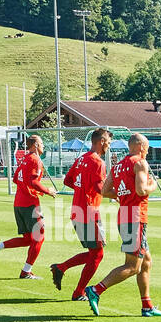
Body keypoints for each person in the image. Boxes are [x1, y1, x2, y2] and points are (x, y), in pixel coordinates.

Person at [83, 134, 161, 317]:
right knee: (133, 266)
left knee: (146, 262)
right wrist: (153, 185)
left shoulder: (118, 165)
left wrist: (122, 195)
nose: (147, 150)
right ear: (141, 146)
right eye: (146, 147)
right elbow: (142, 190)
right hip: (135, 217)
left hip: (124, 215)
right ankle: (96, 290)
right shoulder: (140, 163)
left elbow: (105, 191)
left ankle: (147, 307)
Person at [50, 128, 111, 300]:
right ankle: (78, 292)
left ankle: (61, 268)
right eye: (108, 142)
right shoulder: (98, 162)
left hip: (77, 211)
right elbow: (101, 189)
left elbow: (67, 180)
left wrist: (82, 190)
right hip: (90, 212)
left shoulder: (81, 158)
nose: (109, 145)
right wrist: (120, 195)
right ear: (101, 142)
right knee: (97, 254)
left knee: (93, 253)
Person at [0, 134, 56, 278]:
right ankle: (26, 271)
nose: (43, 146)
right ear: (35, 145)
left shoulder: (24, 158)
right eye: (41, 143)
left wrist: (29, 190)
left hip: (19, 203)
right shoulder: (35, 159)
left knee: (28, 239)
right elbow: (33, 182)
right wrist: (47, 191)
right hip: (29, 204)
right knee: (39, 237)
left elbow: (16, 178)